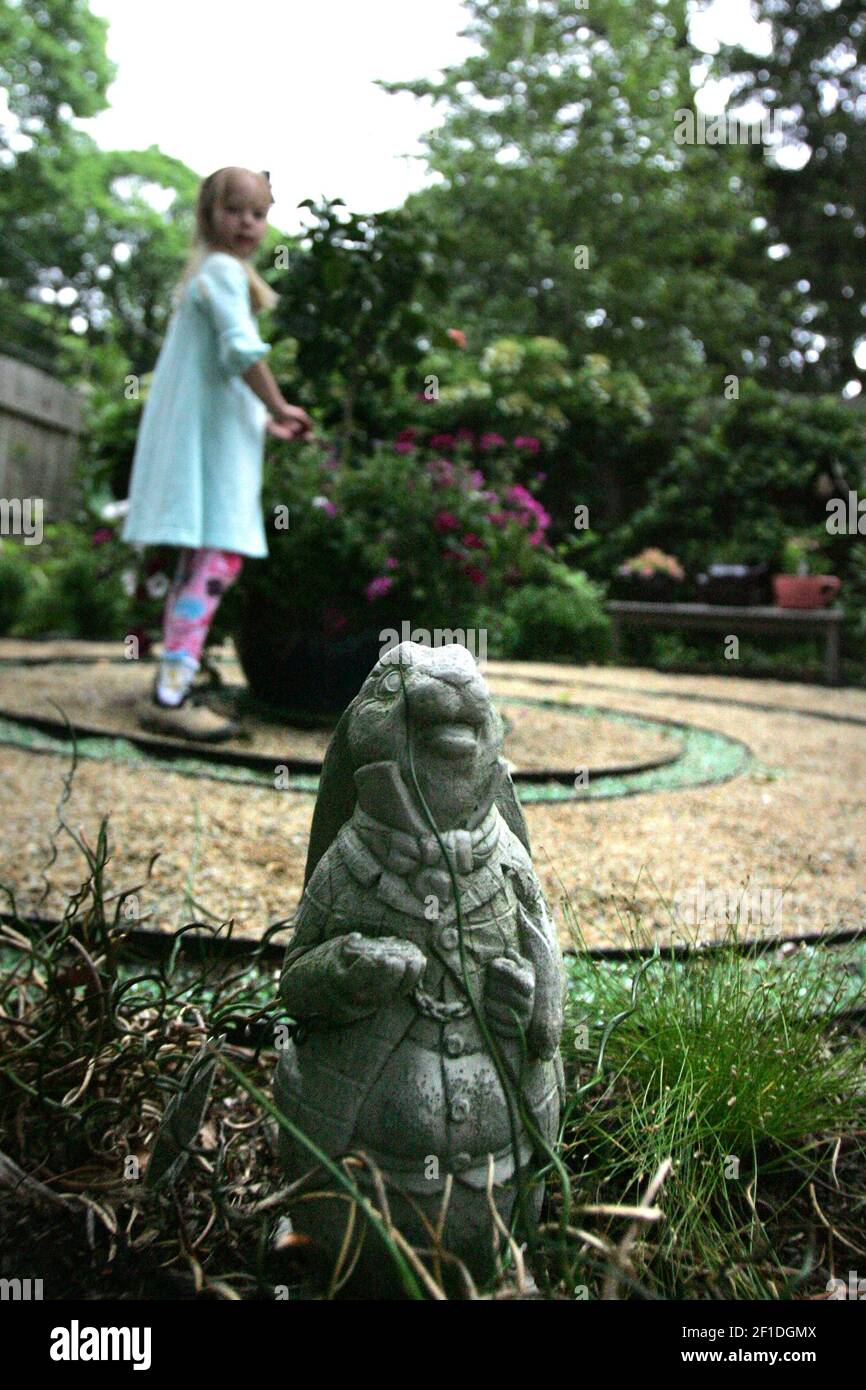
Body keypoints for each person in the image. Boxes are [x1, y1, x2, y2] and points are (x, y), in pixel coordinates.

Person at [122, 166, 314, 740]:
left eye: (258, 213)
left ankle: (172, 680)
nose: (248, 223)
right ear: (210, 214)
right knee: (213, 565)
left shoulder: (208, 276)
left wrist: (264, 421)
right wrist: (279, 406)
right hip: (211, 462)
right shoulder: (224, 272)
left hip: (208, 450)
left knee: (197, 566)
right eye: (236, 210)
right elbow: (239, 352)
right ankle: (170, 693)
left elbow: (216, 376)